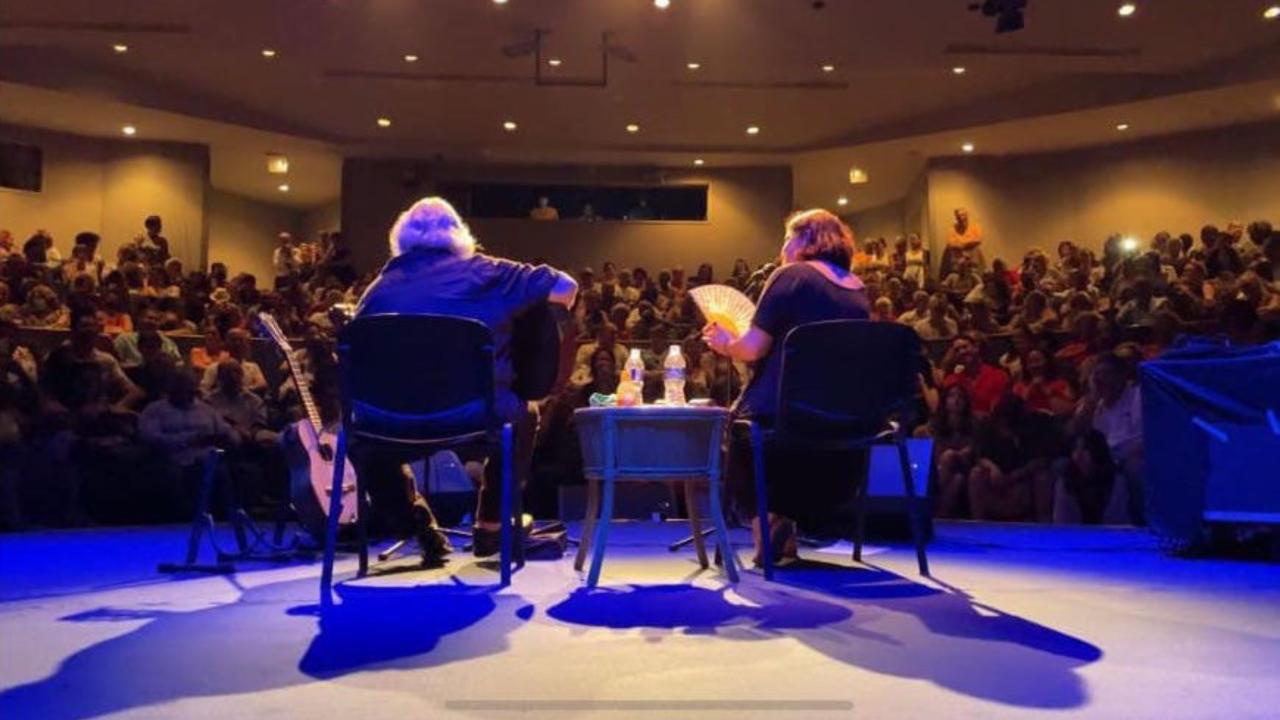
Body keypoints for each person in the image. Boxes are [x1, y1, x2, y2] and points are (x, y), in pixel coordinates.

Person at [355, 196, 578, 559]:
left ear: (402, 239)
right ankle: (491, 527)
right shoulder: (490, 272)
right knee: (525, 416)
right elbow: (566, 288)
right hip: (473, 415)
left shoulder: (376, 292)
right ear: (458, 234)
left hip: (388, 422)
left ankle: (419, 529)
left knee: (365, 433)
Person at [703, 209, 870, 566]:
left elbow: (752, 349)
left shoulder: (791, 276)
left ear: (809, 240)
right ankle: (786, 527)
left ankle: (770, 527)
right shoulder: (858, 290)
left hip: (786, 411)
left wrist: (725, 342)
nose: (782, 247)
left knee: (740, 426)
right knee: (775, 425)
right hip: (845, 419)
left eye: (787, 238)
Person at [937, 333, 1010, 417]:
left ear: (976, 348)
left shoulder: (999, 376)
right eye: (957, 350)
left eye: (965, 347)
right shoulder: (951, 381)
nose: (962, 352)